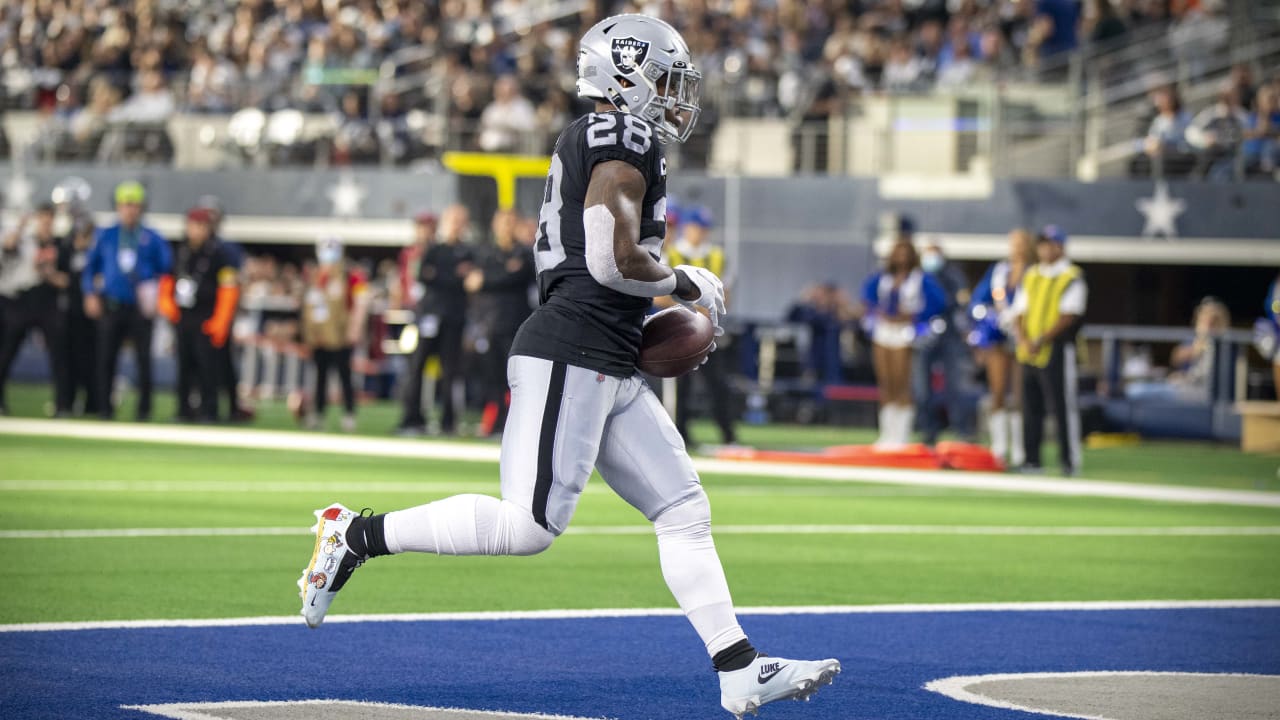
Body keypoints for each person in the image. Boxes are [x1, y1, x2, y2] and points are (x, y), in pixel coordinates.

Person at [298, 15, 839, 720]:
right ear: (626, 75)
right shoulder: (622, 135)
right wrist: (685, 283)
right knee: (528, 527)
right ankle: (353, 535)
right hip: (573, 350)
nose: (675, 97)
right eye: (665, 80)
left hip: (607, 353)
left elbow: (607, 261)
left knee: (683, 509)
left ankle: (738, 669)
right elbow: (611, 261)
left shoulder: (611, 136)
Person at [81, 181, 172, 420]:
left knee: (143, 359)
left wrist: (159, 296)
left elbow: (166, 269)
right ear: (118, 207)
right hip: (113, 304)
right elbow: (90, 268)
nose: (130, 210)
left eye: (134, 205)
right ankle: (104, 407)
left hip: (141, 307)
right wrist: (90, 293)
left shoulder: (152, 237)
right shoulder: (107, 235)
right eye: (126, 205)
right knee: (106, 358)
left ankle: (144, 409)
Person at [1011, 225, 1087, 476]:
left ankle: (1069, 460)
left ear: (1061, 247)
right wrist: (1023, 339)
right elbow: (1019, 311)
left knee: (1062, 406)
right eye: (1042, 244)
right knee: (1030, 406)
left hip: (1057, 349)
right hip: (1029, 350)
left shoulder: (1071, 276)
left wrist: (1040, 339)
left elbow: (1069, 315)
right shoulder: (1032, 274)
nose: (1045, 249)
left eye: (1051, 244)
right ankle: (1031, 460)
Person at [661, 204, 738, 448]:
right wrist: (695, 306)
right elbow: (658, 296)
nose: (700, 233)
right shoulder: (671, 254)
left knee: (718, 383)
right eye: (696, 227)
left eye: (704, 228)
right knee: (681, 386)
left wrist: (710, 309)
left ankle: (728, 434)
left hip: (707, 330)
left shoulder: (717, 256)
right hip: (679, 331)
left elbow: (725, 293)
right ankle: (681, 434)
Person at [860, 238, 946, 447]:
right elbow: (867, 296)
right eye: (898, 252)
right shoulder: (883, 277)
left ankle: (902, 434)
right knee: (886, 383)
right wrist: (876, 312)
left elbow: (939, 302)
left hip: (905, 332)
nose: (901, 257)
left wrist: (915, 315)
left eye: (906, 253)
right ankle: (887, 434)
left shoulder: (920, 279)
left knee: (902, 383)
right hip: (883, 331)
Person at [396, 204, 473, 436]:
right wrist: (453, 276)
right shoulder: (434, 250)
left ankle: (448, 421)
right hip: (429, 316)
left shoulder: (468, 252)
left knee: (450, 371)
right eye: (453, 221)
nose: (456, 226)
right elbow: (423, 275)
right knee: (417, 366)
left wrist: (440, 275)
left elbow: (465, 280)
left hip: (454, 318)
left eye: (460, 221)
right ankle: (412, 419)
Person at [158, 208, 240, 423]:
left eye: (202, 226)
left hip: (207, 317)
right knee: (184, 365)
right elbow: (168, 280)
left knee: (208, 366)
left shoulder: (220, 253)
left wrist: (221, 320)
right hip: (184, 316)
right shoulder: (180, 251)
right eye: (194, 226)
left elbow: (229, 288)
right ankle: (183, 409)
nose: (197, 231)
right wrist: (168, 306)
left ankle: (209, 410)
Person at [969, 229, 1035, 468]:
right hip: (998, 335)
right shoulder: (998, 271)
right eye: (1013, 243)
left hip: (1024, 335)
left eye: (1022, 243)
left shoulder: (1035, 271)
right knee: (997, 390)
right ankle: (998, 447)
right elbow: (978, 300)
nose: (1017, 247)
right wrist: (989, 316)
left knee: (1019, 395)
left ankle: (1019, 449)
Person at [466, 208, 535, 437]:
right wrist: (501, 274)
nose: (507, 227)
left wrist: (487, 279)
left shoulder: (525, 253)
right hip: (489, 323)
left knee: (515, 377)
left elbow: (515, 277)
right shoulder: (485, 253)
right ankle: (494, 422)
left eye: (511, 222)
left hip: (515, 323)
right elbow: (472, 282)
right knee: (491, 375)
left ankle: (513, 423)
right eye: (503, 222)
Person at [0, 204, 66, 415]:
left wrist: (49, 274)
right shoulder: (26, 241)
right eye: (42, 218)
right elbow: (8, 247)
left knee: (58, 354)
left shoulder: (59, 244)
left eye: (49, 219)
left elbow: (67, 280)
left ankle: (61, 404)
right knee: (7, 352)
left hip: (47, 299)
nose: (46, 223)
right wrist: (20, 227)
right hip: (23, 299)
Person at [300, 237, 368, 432]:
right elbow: (310, 305)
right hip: (320, 335)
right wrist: (310, 333)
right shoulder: (315, 276)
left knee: (344, 375)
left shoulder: (351, 275)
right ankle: (318, 412)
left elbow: (361, 302)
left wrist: (354, 328)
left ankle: (349, 413)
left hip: (341, 334)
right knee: (320, 376)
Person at [197, 195, 252, 422]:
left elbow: (235, 282)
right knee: (200, 362)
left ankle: (232, 405)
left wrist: (230, 313)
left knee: (225, 361)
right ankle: (203, 403)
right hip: (200, 313)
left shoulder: (226, 249)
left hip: (221, 313)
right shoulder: (196, 247)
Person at [914, 238, 975, 444]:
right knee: (922, 387)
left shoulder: (953, 276)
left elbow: (961, 303)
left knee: (955, 386)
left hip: (950, 335)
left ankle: (961, 430)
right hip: (924, 335)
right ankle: (928, 430)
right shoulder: (918, 276)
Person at [1127, 297, 1231, 402]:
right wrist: (1192, 352)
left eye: (1213, 321)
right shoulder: (1195, 340)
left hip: (1199, 393)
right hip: (1185, 387)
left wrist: (1184, 378)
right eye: (1203, 320)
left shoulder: (1223, 347)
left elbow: (1205, 378)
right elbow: (1176, 359)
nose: (1207, 326)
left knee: (1137, 391)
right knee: (1136, 388)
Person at [54, 218, 100, 416]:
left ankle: (93, 403)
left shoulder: (96, 253)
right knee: (68, 360)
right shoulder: (66, 251)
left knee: (92, 360)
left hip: (91, 316)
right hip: (70, 314)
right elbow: (61, 277)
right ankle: (66, 402)